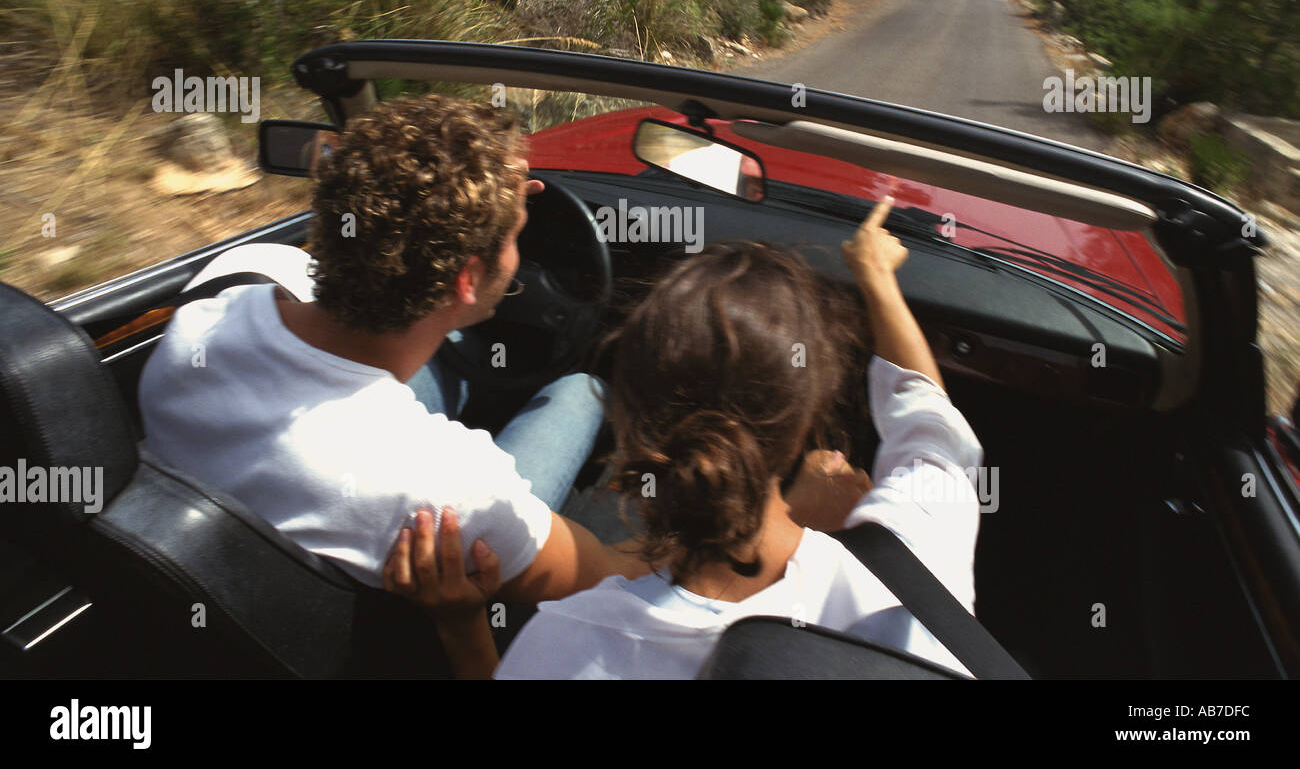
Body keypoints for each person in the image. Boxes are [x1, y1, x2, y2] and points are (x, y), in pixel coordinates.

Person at [386, 196, 985, 678]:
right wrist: (875, 274)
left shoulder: (572, 641)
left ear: (633, 426)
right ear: (808, 421)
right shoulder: (915, 553)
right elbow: (931, 424)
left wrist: (464, 627)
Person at [138, 95, 648, 601]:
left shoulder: (222, 293)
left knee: (451, 345)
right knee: (581, 389)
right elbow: (600, 569)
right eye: (519, 234)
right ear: (467, 277)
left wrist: (486, 200)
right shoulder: (454, 493)